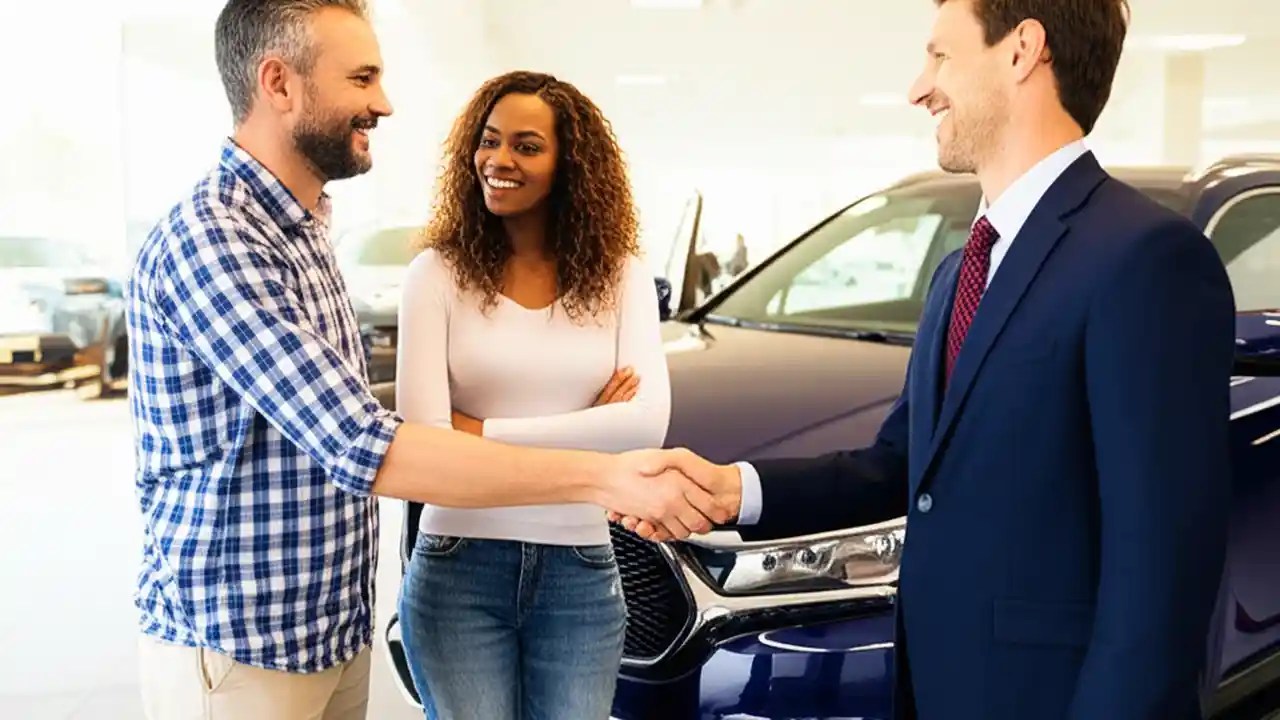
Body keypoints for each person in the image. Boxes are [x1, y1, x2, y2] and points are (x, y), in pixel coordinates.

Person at [617, 1, 1236, 718]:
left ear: (1022, 50)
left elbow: (1162, 579)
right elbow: (903, 464)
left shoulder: (1146, 258)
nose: (919, 87)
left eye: (940, 56)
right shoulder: (960, 271)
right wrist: (735, 490)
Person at [126, 3, 724, 719]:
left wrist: (477, 430)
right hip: (241, 645)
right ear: (278, 84)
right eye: (362, 78)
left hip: (325, 632)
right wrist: (605, 468)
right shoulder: (217, 242)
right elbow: (365, 445)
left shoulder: (303, 229)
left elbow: (403, 433)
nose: (382, 102)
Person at [394, 70, 667, 720]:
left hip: (579, 567)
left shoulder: (622, 278)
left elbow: (647, 426)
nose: (499, 160)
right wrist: (591, 423)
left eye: (526, 145)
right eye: (489, 142)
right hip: (458, 567)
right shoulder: (435, 276)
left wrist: (480, 432)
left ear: (570, 163)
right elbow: (428, 454)